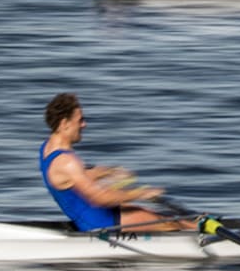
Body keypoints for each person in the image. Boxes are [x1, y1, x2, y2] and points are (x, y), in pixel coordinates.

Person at [40, 93, 191, 232]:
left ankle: (196, 225)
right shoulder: (67, 162)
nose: (84, 125)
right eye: (80, 120)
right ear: (64, 123)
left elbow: (73, 178)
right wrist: (141, 193)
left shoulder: (47, 148)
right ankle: (202, 236)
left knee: (147, 212)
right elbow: (99, 198)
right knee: (170, 223)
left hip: (91, 214)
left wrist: (108, 172)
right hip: (99, 223)